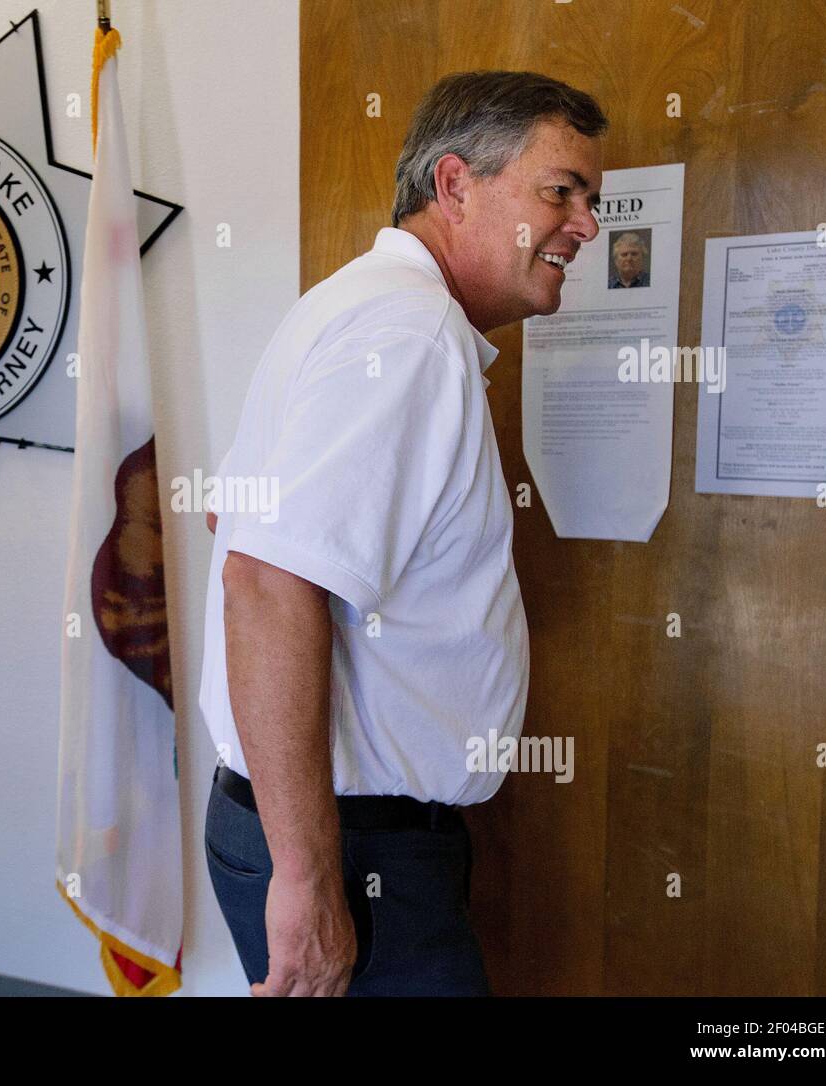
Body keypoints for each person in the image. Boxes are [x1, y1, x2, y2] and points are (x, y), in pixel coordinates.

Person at [198, 70, 606, 996]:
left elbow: (235, 518)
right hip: (351, 848)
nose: (585, 225)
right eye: (560, 192)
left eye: (592, 199)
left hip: (331, 832)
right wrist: (307, 880)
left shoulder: (354, 307)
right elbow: (263, 580)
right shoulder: (409, 335)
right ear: (455, 184)